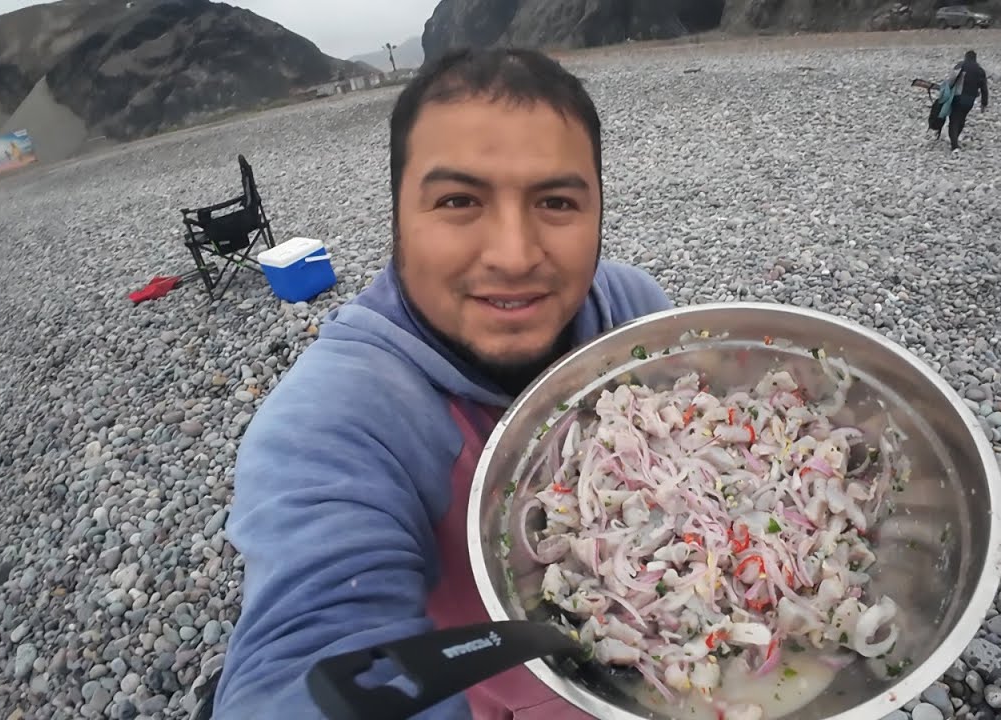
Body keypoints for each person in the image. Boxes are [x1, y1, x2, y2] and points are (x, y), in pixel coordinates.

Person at [208, 47, 673, 719]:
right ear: (397, 218)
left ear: (600, 209)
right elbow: (304, 653)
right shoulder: (336, 420)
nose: (514, 256)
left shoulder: (633, 313)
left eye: (556, 201)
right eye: (458, 200)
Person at [936, 50, 989, 153]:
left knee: (954, 120)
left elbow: (951, 80)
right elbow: (984, 88)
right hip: (970, 100)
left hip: (958, 97)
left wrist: (945, 91)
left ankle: (954, 145)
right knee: (961, 119)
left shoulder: (961, 65)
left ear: (966, 57)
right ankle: (955, 140)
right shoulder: (980, 70)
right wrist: (984, 103)